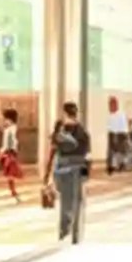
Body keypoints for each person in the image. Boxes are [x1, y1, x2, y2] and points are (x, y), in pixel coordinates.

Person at [44, 102, 91, 243]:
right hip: (78, 168)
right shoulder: (83, 132)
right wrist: (85, 175)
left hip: (62, 168)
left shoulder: (59, 130)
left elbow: (52, 152)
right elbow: (87, 155)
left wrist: (47, 174)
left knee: (65, 201)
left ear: (64, 113)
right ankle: (76, 235)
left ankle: (64, 230)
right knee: (78, 201)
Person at [0, 108, 24, 204]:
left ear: (9, 119)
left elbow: (9, 143)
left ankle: (14, 194)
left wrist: (1, 152)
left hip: (9, 153)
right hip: (11, 152)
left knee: (10, 175)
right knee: (10, 175)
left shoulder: (9, 130)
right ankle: (14, 193)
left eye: (4, 118)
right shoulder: (13, 128)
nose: (3, 120)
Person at [108, 96, 129, 175]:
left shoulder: (120, 114)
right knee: (114, 150)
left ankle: (120, 164)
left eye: (112, 104)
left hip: (119, 133)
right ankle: (115, 165)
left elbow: (122, 126)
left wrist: (118, 135)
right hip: (113, 132)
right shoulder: (111, 114)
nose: (110, 106)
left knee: (119, 150)